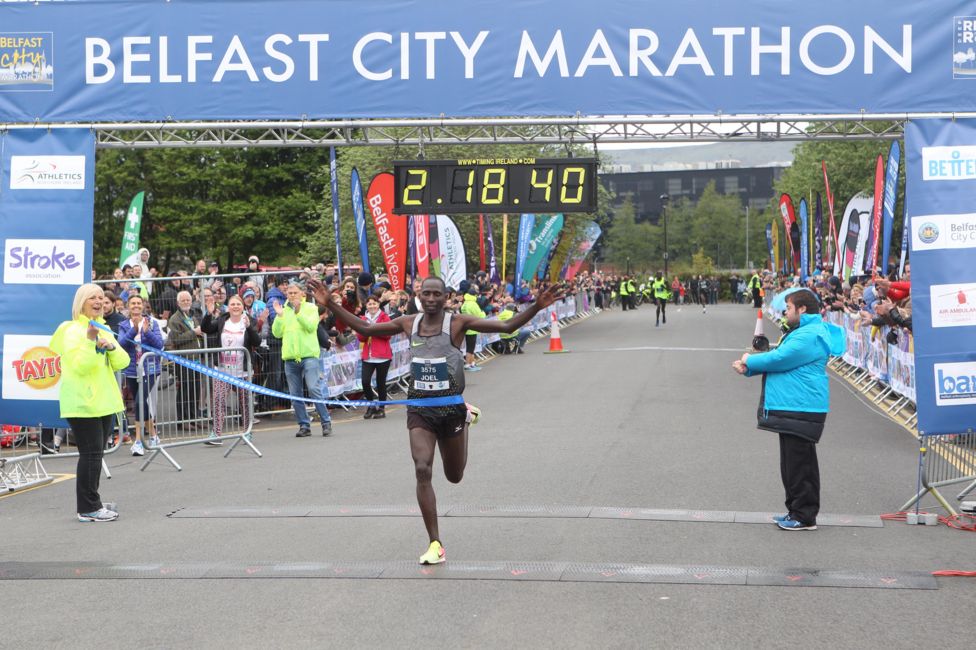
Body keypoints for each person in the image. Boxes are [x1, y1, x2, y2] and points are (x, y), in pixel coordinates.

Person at [307, 276, 566, 565]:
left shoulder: (457, 323)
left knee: (454, 476)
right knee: (422, 468)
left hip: (451, 408)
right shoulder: (409, 323)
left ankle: (466, 418)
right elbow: (367, 328)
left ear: (445, 297)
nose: (430, 299)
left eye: (436, 294)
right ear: (420, 296)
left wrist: (537, 307)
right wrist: (330, 303)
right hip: (420, 408)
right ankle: (435, 543)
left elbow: (506, 326)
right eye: (425, 293)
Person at [732, 288, 845, 531]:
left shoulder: (809, 335)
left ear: (802, 310)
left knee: (800, 465)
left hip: (801, 406)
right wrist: (749, 369)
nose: (785, 311)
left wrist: (748, 360)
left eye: (789, 307)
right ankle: (795, 511)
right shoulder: (802, 331)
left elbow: (781, 358)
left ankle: (804, 516)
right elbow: (781, 360)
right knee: (791, 464)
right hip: (793, 405)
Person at [49, 284, 130, 522]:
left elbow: (123, 362)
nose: (98, 302)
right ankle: (88, 508)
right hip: (82, 403)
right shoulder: (70, 329)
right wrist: (90, 342)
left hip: (104, 403)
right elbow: (79, 366)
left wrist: (111, 346)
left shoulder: (102, 327)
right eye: (92, 298)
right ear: (81, 302)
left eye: (101, 298)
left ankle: (92, 501)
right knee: (91, 454)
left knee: (96, 454)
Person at [272, 281, 333, 437]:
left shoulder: (311, 308)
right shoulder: (284, 310)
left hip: (309, 356)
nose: (292, 295)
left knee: (313, 388)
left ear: (302, 294)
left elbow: (311, 327)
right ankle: (304, 425)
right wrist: (279, 317)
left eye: (295, 293)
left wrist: (299, 312)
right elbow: (276, 333)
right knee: (295, 394)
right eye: (289, 293)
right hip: (291, 358)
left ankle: (325, 421)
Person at [201, 294, 260, 444]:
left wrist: (249, 328)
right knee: (219, 400)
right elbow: (206, 329)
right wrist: (208, 313)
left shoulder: (249, 321)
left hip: (243, 371)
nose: (235, 307)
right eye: (232, 304)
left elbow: (257, 342)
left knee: (245, 403)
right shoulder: (222, 320)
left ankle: (247, 432)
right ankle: (216, 434)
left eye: (238, 304)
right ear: (229, 306)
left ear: (242, 307)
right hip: (222, 370)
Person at [117, 294, 164, 456]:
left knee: (138, 401)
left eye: (139, 303)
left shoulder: (152, 322)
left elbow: (159, 344)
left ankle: (138, 441)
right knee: (142, 402)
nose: (136, 306)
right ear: (128, 306)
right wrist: (134, 330)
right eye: (133, 303)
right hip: (131, 370)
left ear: (143, 306)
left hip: (149, 368)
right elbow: (121, 345)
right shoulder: (123, 325)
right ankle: (153, 435)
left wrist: (146, 332)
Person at [166, 290, 204, 431]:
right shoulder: (174, 319)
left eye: (188, 300)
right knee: (185, 391)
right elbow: (176, 339)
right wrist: (194, 332)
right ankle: (183, 420)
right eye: (183, 300)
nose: (186, 302)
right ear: (178, 303)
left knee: (195, 390)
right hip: (184, 359)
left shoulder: (191, 316)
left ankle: (193, 418)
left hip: (195, 358)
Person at [358, 295, 393, 419]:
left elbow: (388, 334)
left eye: (374, 303)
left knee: (380, 382)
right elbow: (360, 337)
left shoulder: (384, 317)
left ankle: (381, 408)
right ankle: (371, 405)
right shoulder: (363, 318)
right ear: (366, 306)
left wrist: (372, 330)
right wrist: (367, 331)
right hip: (368, 356)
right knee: (365, 381)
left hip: (383, 355)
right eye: (369, 304)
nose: (372, 306)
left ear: (378, 304)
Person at [460, 284, 485, 371]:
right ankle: (468, 364)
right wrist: (483, 313)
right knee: (470, 348)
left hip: (466, 328)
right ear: (474, 296)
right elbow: (479, 315)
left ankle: (472, 362)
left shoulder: (465, 303)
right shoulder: (473, 304)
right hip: (473, 328)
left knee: (470, 347)